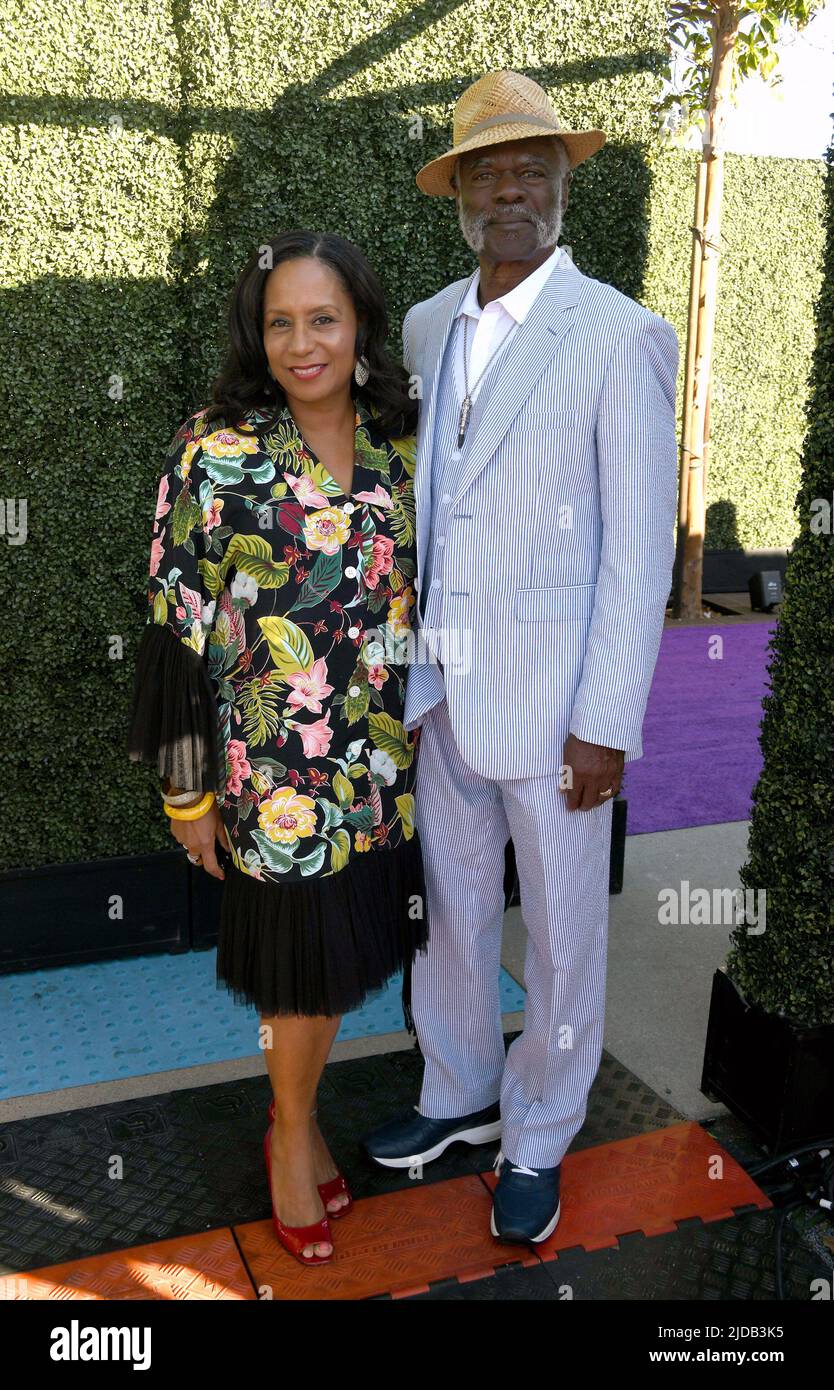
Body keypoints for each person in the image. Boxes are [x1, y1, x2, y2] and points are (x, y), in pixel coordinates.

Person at [361, 71, 679, 1245]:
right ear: (457, 193)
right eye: (488, 169)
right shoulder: (428, 323)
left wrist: (608, 722)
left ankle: (540, 1131)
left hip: (558, 716)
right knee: (447, 912)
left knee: (560, 932)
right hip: (440, 687)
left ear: (559, 186)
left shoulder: (622, 335)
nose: (511, 186)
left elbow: (640, 553)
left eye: (531, 168)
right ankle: (457, 1094)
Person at [127, 231, 427, 1265]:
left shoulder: (402, 447)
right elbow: (176, 637)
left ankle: (294, 1112)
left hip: (378, 766)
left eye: (324, 318)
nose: (304, 343)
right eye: (281, 322)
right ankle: (292, 1130)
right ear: (259, 336)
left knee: (336, 967)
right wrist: (186, 795)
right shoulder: (213, 452)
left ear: (360, 327)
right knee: (295, 977)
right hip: (271, 781)